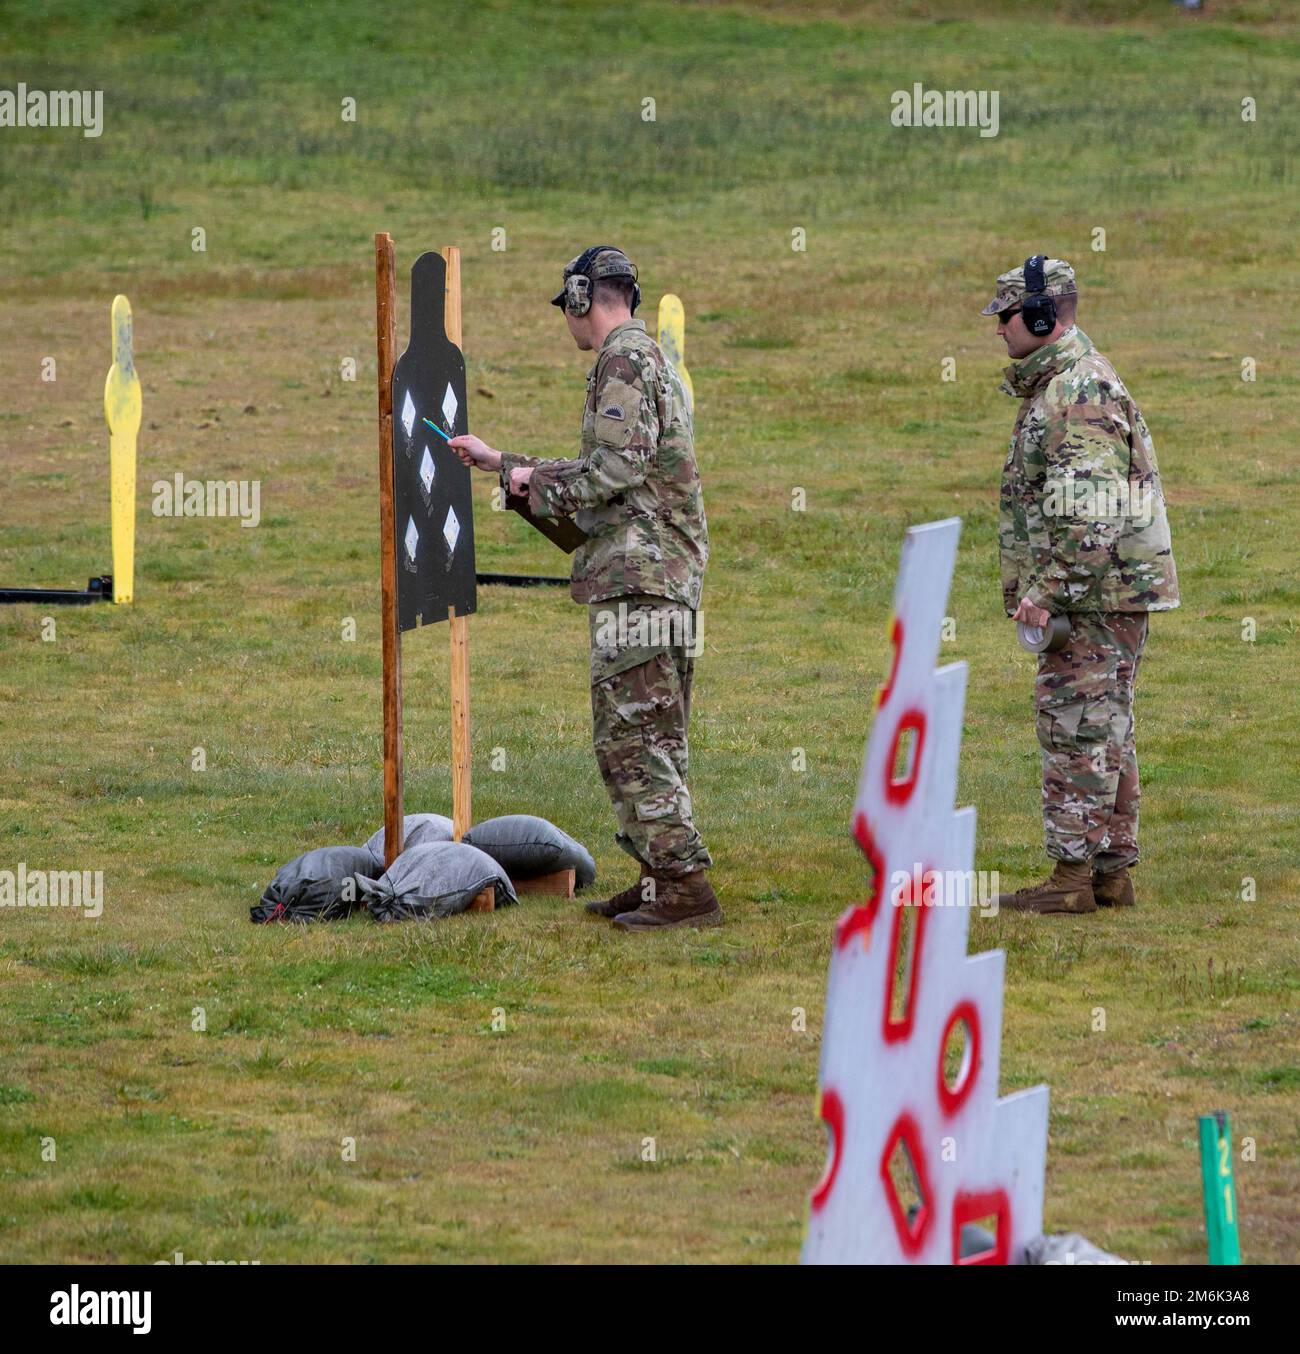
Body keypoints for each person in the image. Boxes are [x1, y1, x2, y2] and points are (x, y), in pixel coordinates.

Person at [449, 246, 719, 930]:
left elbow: (614, 472)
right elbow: (612, 463)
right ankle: (662, 879)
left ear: (581, 297)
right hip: (659, 577)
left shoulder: (622, 361)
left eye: (566, 306)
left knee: (633, 740)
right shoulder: (644, 357)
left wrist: (530, 486)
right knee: (652, 733)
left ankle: (684, 888)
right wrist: (504, 463)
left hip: (641, 579)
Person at [985, 255, 1179, 914]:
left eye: (1007, 316)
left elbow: (1089, 510)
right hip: (1107, 590)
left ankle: (1072, 879)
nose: (999, 330)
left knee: (1075, 724)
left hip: (1091, 594)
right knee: (1107, 727)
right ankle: (1110, 874)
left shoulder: (1076, 391)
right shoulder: (1068, 384)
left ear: (1042, 316)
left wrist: (1049, 588)